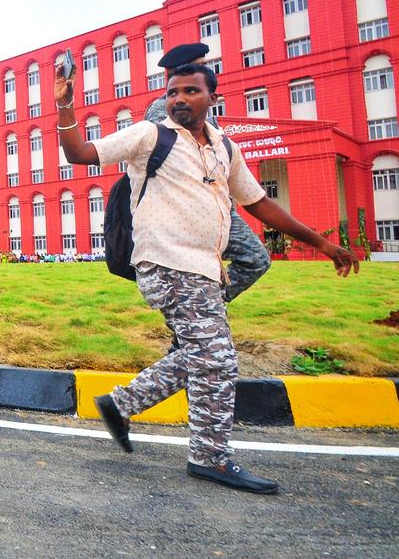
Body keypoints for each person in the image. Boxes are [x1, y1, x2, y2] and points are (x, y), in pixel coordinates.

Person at [55, 62, 359, 494]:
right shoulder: (150, 135)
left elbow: (260, 205)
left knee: (203, 354)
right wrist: (65, 105)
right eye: (173, 91)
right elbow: (79, 154)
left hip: (205, 268)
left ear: (211, 98)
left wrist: (324, 244)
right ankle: (209, 457)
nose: (179, 98)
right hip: (167, 264)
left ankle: (120, 404)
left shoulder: (224, 148)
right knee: (218, 359)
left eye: (190, 91)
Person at [143, 43, 272, 304]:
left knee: (256, 260)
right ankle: (200, 311)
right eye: (202, 65)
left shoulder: (205, 107)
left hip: (220, 204)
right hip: (189, 207)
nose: (209, 70)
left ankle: (203, 306)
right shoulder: (162, 110)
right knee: (249, 260)